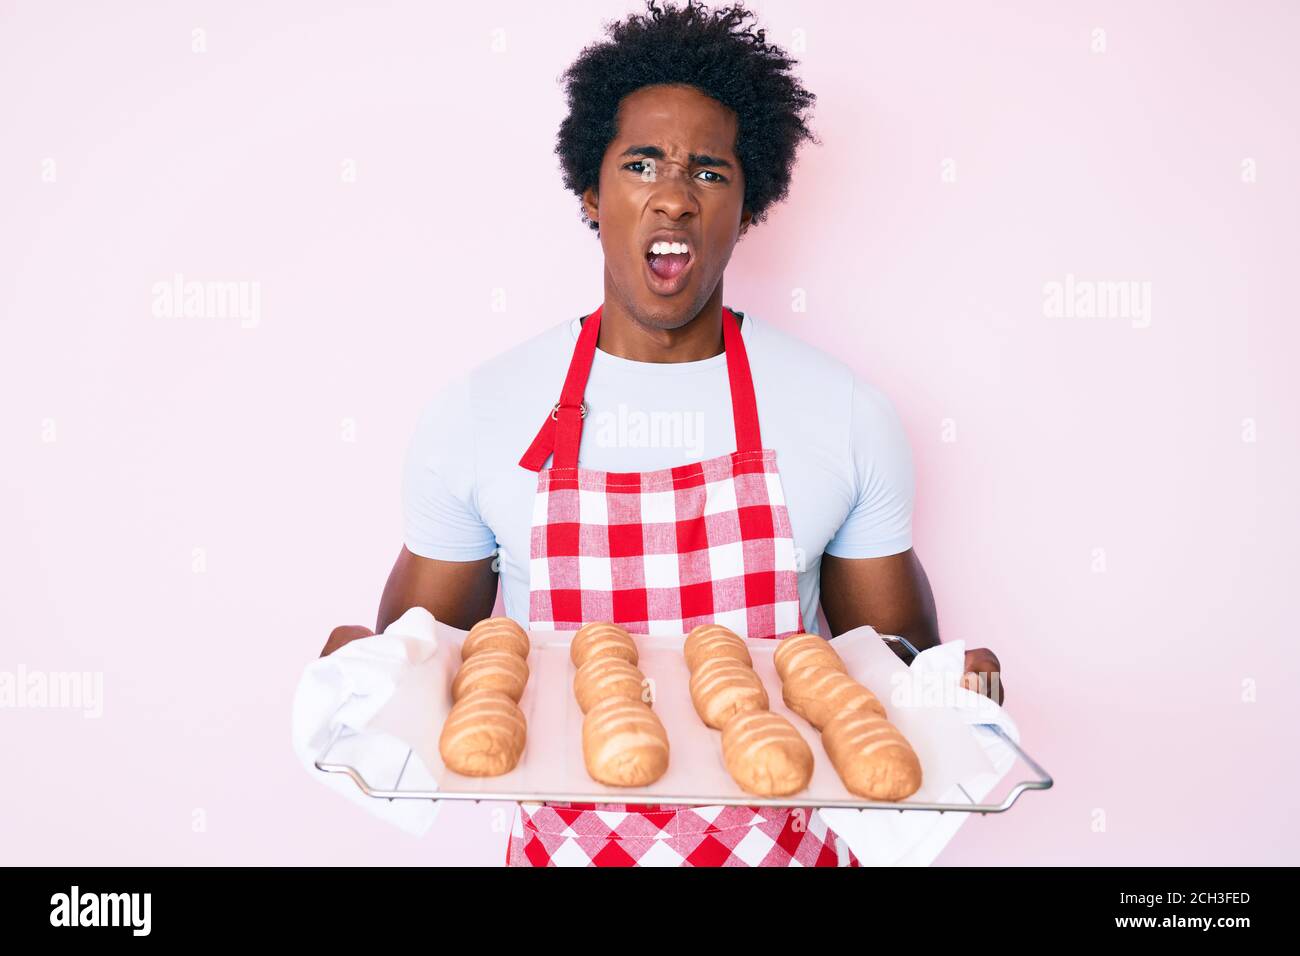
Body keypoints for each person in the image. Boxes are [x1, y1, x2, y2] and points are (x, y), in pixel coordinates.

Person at [322, 0, 1003, 867]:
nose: (674, 197)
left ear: (748, 206)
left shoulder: (846, 414)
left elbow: (894, 673)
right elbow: (422, 673)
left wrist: (954, 686)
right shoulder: (476, 414)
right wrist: (363, 670)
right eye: (641, 164)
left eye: (710, 173)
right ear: (591, 190)